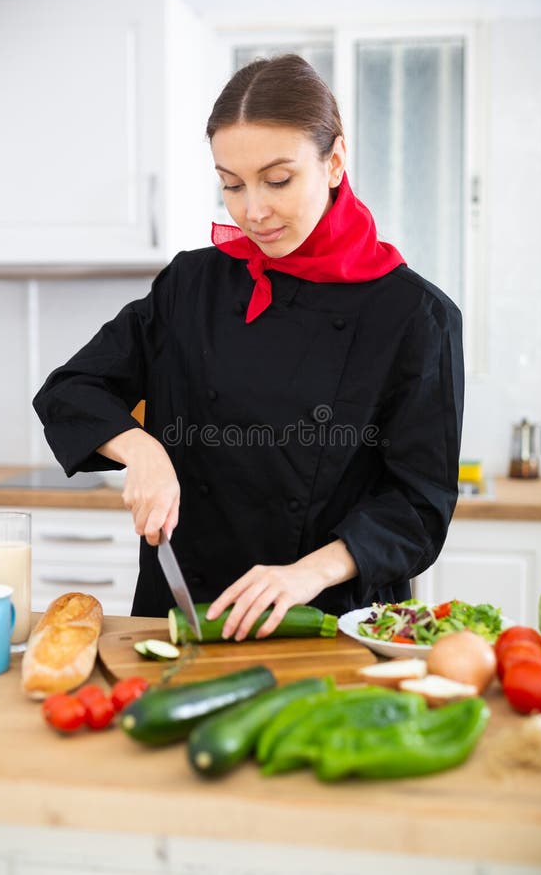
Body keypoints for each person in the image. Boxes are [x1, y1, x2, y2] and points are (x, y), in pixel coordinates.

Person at [33, 54, 464, 641]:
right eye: (231, 185)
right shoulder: (190, 285)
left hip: (328, 622)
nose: (252, 211)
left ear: (335, 162)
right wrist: (142, 451)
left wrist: (304, 575)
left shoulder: (415, 315)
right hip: (183, 614)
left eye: (278, 180)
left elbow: (418, 508)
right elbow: (71, 388)